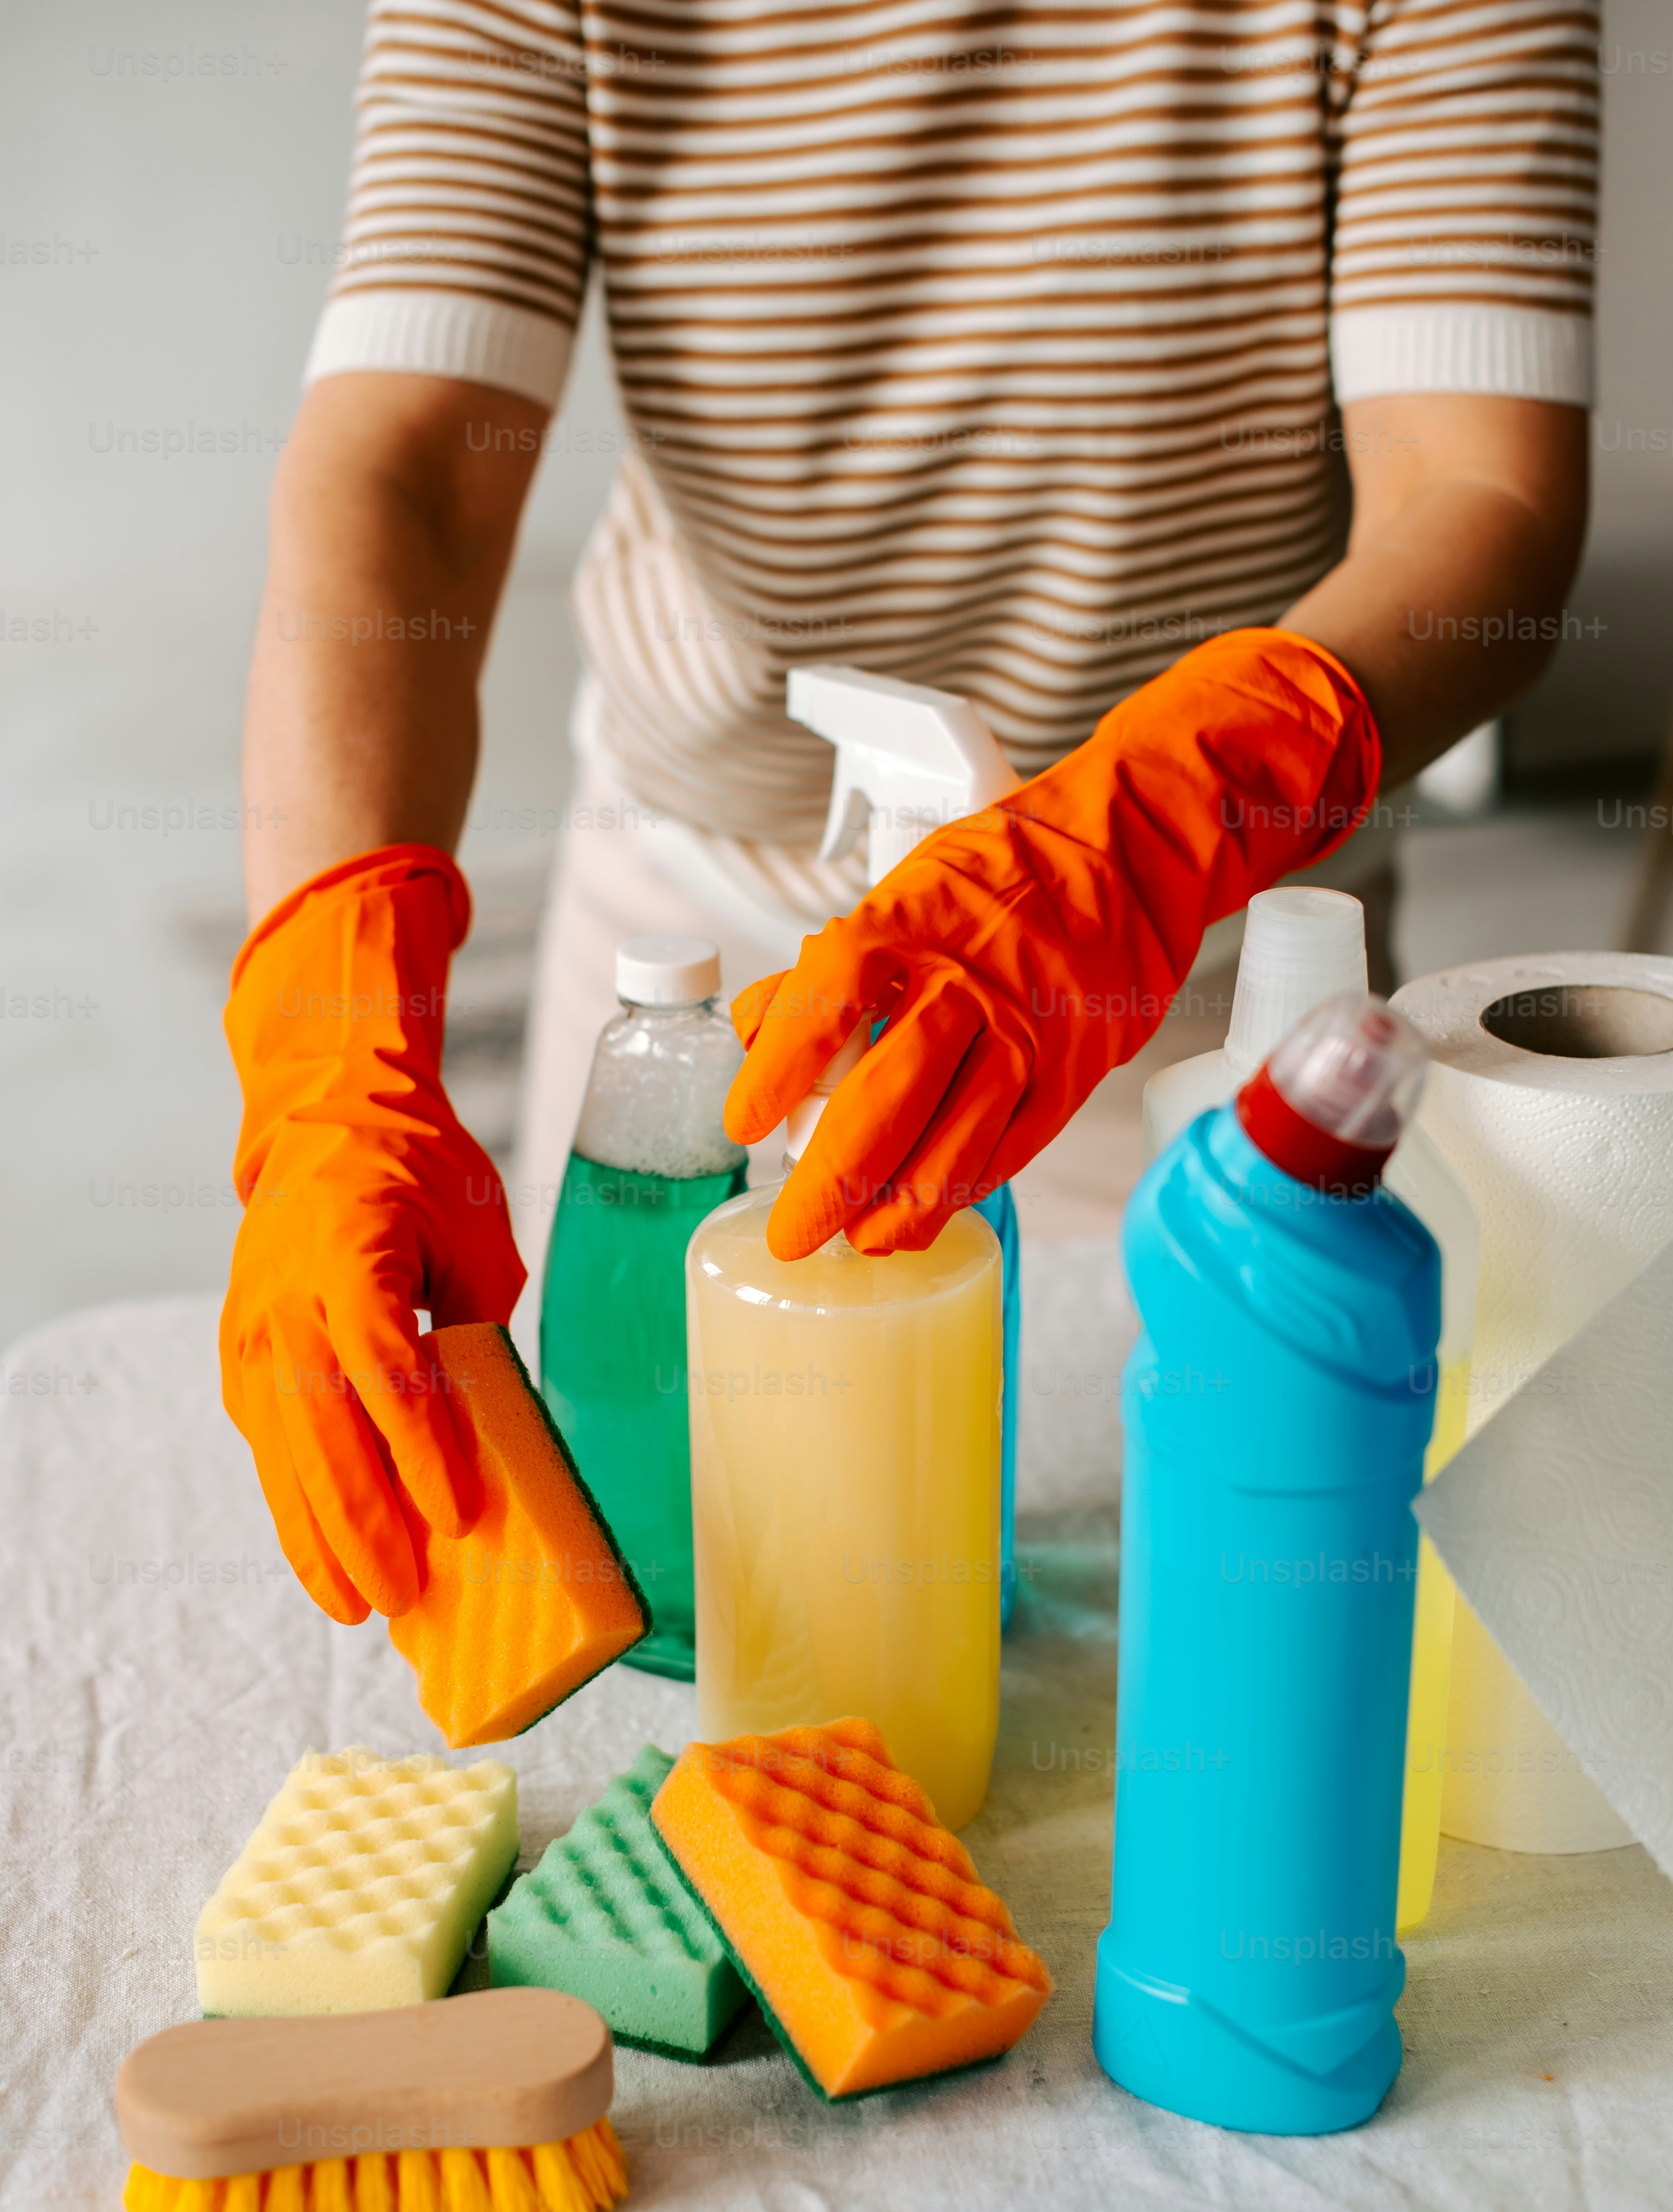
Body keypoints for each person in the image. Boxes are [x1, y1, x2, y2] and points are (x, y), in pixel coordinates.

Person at [223, 0, 1595, 1620]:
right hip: (692, 938)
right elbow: (411, 469)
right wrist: (333, 1047)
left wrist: (1152, 818)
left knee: (1185, 1587)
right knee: (662, 1564)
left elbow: (1479, 490)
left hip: (1186, 967)